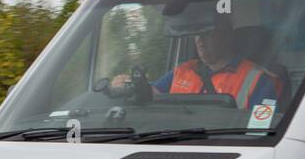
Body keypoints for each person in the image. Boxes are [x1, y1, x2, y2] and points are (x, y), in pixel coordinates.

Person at [112, 15, 282, 110]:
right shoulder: (184, 70)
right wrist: (127, 86)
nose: (200, 40)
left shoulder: (260, 80)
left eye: (207, 33)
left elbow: (260, 131)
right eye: (197, 34)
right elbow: (151, 93)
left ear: (227, 36)